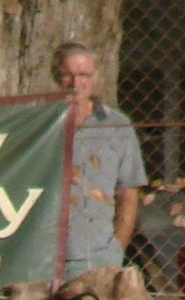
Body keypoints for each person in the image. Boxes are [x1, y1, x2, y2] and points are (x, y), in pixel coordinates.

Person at [52, 42, 148, 281]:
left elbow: (129, 192)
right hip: (47, 254)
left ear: (95, 78)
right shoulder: (42, 124)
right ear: (57, 77)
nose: (76, 83)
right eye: (68, 75)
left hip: (99, 254)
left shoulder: (118, 125)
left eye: (83, 75)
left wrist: (117, 248)